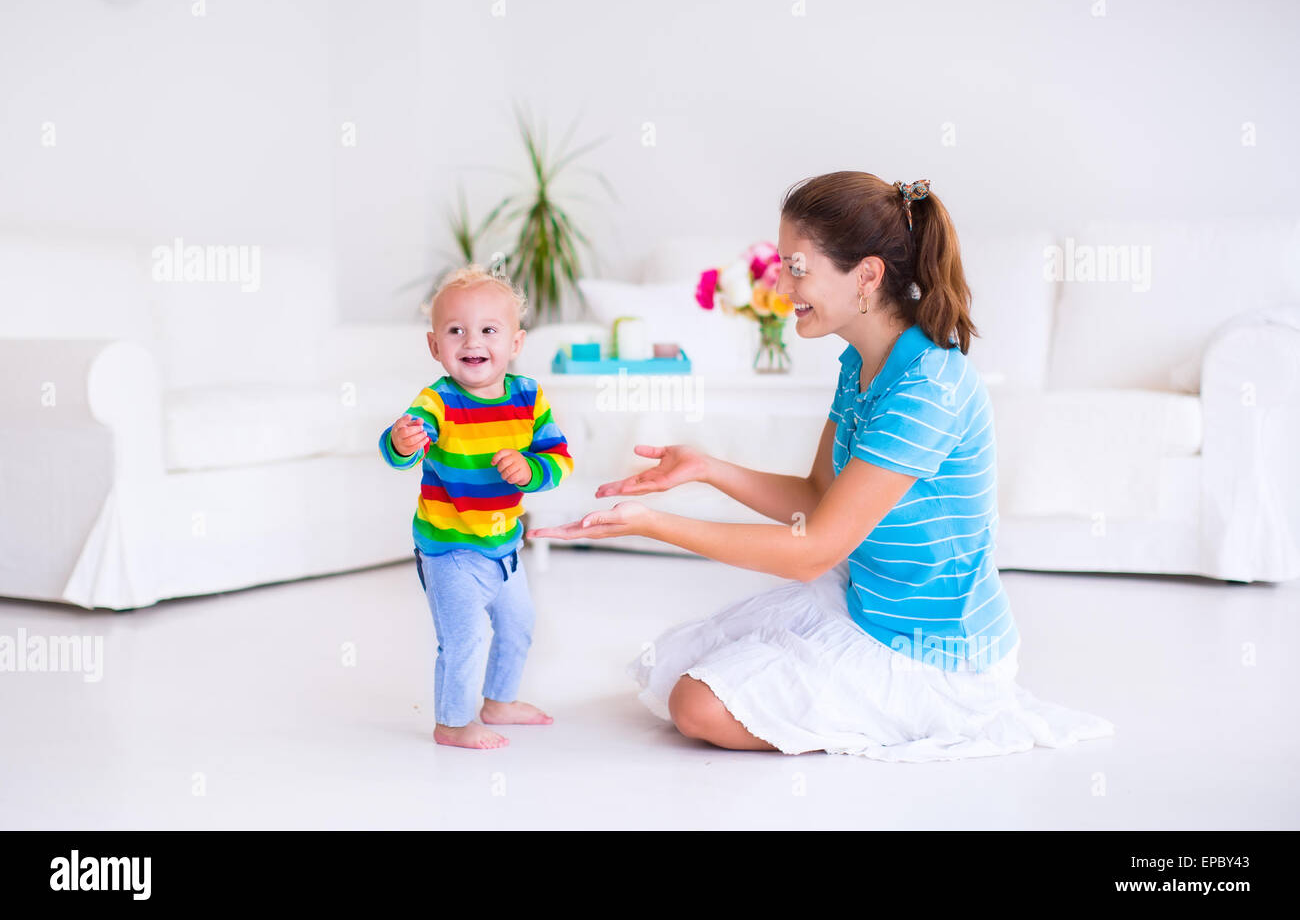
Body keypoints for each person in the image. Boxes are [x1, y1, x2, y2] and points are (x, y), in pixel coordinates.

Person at [528, 171, 1116, 761]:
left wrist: (655, 525)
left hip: (936, 652)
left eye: (797, 268)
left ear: (866, 276)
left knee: (696, 705)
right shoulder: (861, 363)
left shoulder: (929, 387)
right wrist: (708, 468)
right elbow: (817, 497)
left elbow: (814, 551)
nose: (782, 286)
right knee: (687, 668)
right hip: (868, 602)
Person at [381, 265, 574, 750]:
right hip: (450, 548)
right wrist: (402, 442)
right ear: (435, 346)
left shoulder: (529, 397)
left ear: (515, 342)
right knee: (462, 639)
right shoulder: (437, 401)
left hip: (504, 545)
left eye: (489, 330)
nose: (472, 341)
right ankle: (451, 722)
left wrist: (531, 469)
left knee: (518, 624)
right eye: (456, 331)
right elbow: (402, 446)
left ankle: (499, 701)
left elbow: (559, 458)